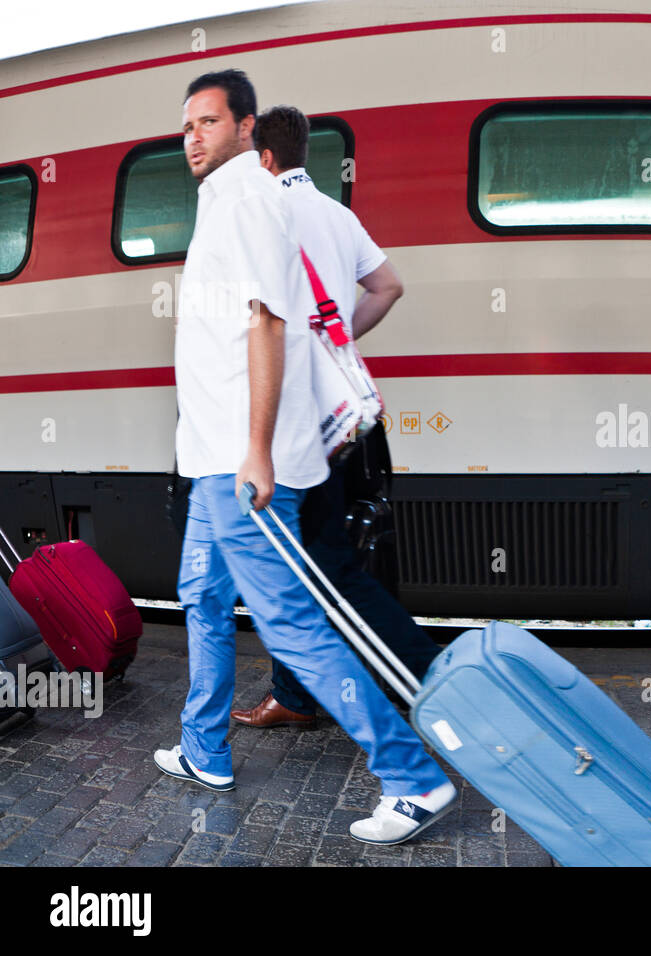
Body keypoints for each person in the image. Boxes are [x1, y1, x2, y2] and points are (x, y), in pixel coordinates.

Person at [155, 69, 456, 845]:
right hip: (210, 456)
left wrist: (254, 451)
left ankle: (414, 779)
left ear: (247, 128)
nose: (193, 136)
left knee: (291, 627)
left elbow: (269, 324)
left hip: (241, 462)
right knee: (202, 596)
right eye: (186, 125)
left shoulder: (250, 200)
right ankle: (205, 748)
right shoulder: (222, 202)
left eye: (209, 123)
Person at [229, 104, 441, 730]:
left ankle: (423, 675)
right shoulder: (338, 214)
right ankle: (300, 692)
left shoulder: (263, 214)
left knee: (310, 564)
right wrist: (339, 336)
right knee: (328, 556)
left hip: (296, 423)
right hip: (351, 421)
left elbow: (258, 325)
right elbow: (389, 287)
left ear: (264, 158)